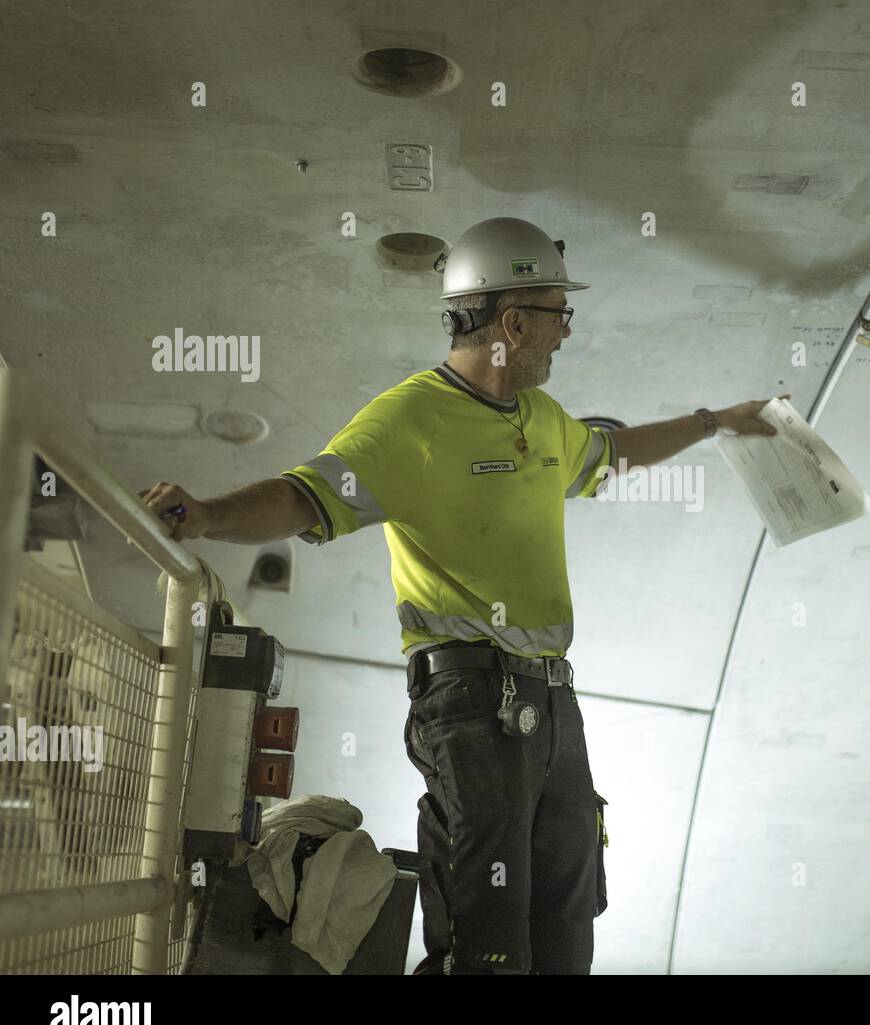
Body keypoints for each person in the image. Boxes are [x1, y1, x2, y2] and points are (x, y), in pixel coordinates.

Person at [141, 216, 779, 974]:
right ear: (513, 322)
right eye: (557, 314)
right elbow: (302, 497)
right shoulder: (410, 419)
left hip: (552, 706)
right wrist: (208, 514)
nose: (565, 334)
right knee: (490, 943)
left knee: (567, 932)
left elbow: (614, 452)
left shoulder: (542, 420)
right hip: (471, 706)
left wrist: (715, 423)